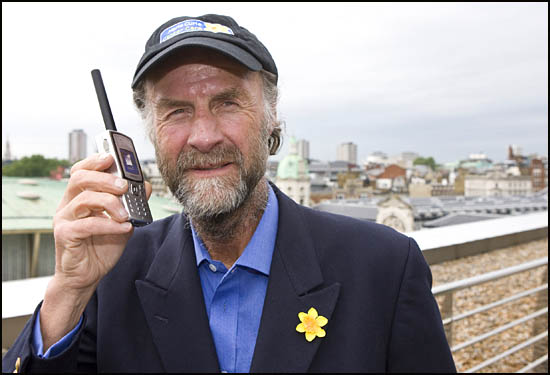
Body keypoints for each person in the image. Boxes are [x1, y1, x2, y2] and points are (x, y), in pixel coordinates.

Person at [3, 14, 456, 373]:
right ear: (151, 135)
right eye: (177, 111)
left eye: (227, 103)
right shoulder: (111, 274)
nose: (203, 136)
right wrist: (67, 291)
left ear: (272, 117)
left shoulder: (384, 268)